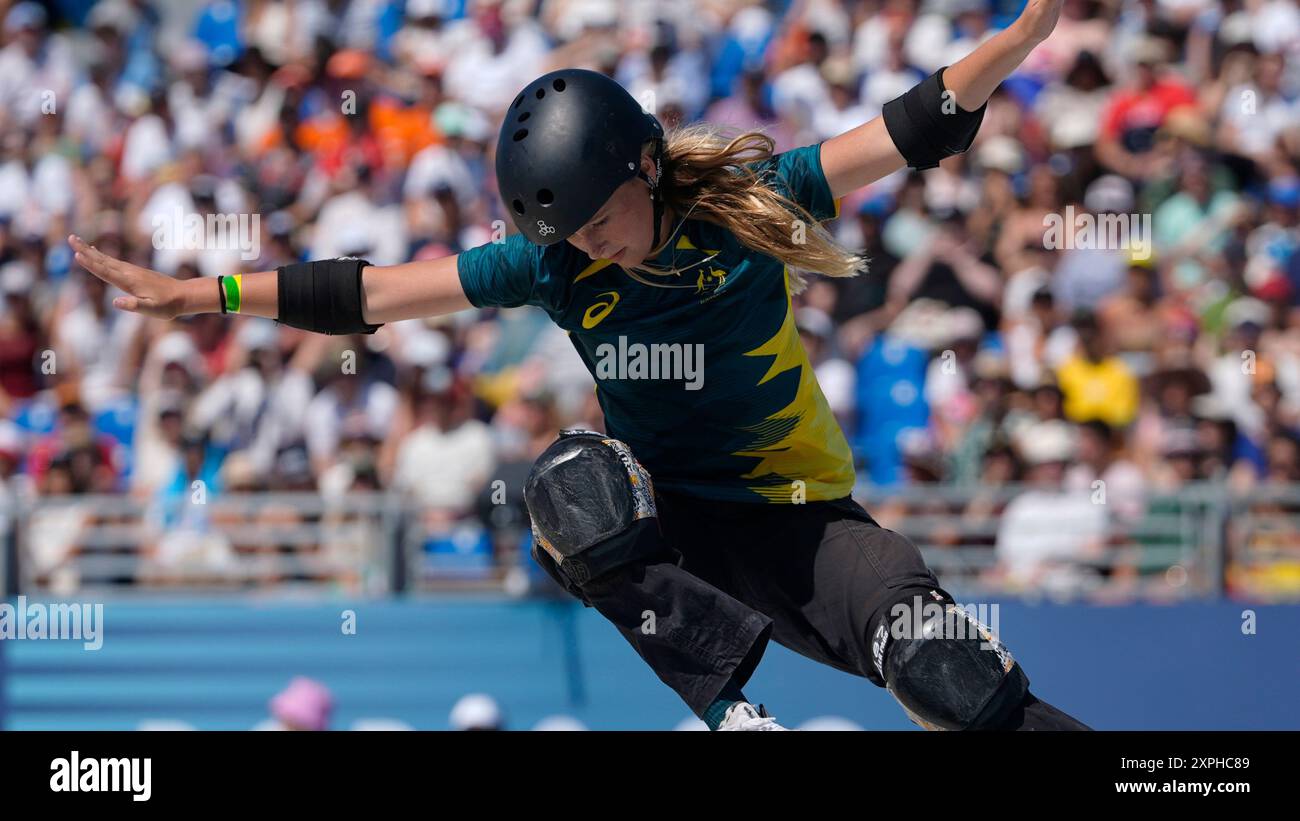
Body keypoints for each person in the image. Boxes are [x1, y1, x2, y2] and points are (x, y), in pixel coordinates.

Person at [69, 0, 1088, 731]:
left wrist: (1017, 37)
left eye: (605, 219)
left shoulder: (755, 203)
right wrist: (205, 294)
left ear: (645, 166)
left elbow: (912, 126)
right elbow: (369, 292)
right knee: (571, 487)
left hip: (801, 523)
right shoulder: (552, 267)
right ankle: (733, 714)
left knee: (949, 674)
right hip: (673, 531)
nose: (597, 246)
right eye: (576, 234)